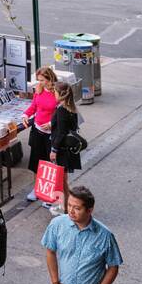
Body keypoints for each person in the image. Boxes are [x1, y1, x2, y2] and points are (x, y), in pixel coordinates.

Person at [42, 184, 122, 284]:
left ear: (89, 210)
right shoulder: (56, 225)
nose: (71, 211)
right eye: (69, 205)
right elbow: (50, 251)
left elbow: (113, 266)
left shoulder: (105, 235)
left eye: (77, 208)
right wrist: (55, 283)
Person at [47, 81, 83, 215]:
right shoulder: (71, 108)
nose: (54, 94)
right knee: (63, 180)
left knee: (62, 180)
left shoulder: (61, 110)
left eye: (55, 92)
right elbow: (68, 127)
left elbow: (61, 132)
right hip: (68, 150)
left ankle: (67, 207)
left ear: (61, 95)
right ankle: (65, 205)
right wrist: (52, 125)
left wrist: (53, 150)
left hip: (62, 150)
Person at [24, 66, 59, 200]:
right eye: (38, 80)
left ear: (50, 79)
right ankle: (37, 189)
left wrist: (51, 123)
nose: (40, 83)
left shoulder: (57, 92)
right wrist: (26, 115)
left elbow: (62, 113)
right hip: (38, 130)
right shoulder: (39, 90)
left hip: (51, 133)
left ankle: (49, 192)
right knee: (36, 162)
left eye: (43, 80)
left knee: (49, 163)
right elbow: (34, 106)